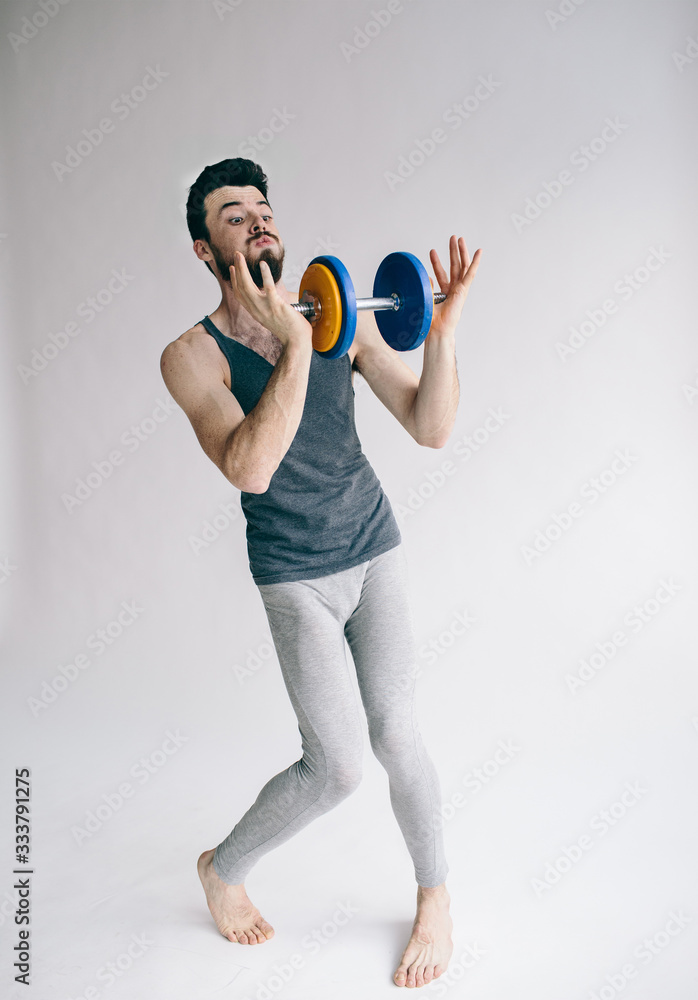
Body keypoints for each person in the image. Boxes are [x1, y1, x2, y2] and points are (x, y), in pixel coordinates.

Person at [159, 158, 482, 989]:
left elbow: (429, 426)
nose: (259, 222)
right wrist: (299, 344)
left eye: (264, 208)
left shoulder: (333, 305)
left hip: (373, 547)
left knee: (398, 734)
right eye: (235, 216)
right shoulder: (192, 356)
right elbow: (251, 467)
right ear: (205, 248)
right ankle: (222, 869)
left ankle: (435, 895)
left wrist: (440, 336)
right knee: (335, 767)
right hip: (295, 574)